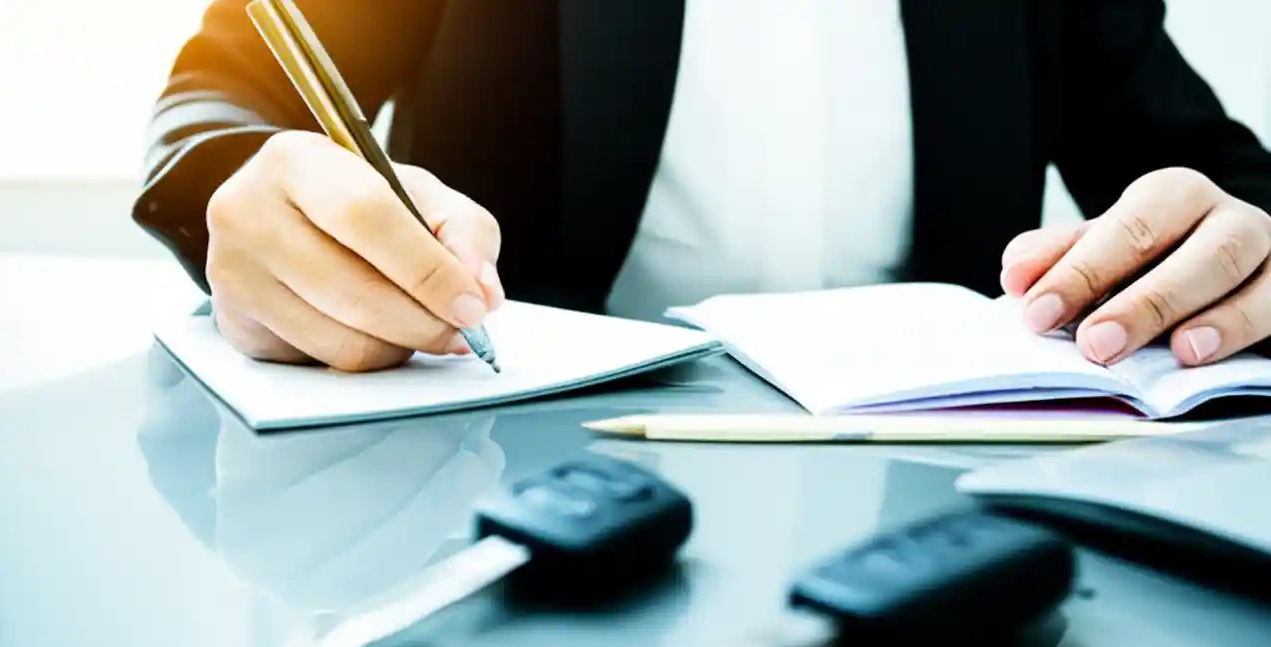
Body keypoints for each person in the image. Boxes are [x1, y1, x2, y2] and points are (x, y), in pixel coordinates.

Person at [134, 1, 1271, 373]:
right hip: (511, 487)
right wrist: (250, 191)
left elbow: (1219, 184)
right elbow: (227, 93)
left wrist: (1243, 249)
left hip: (939, 516)